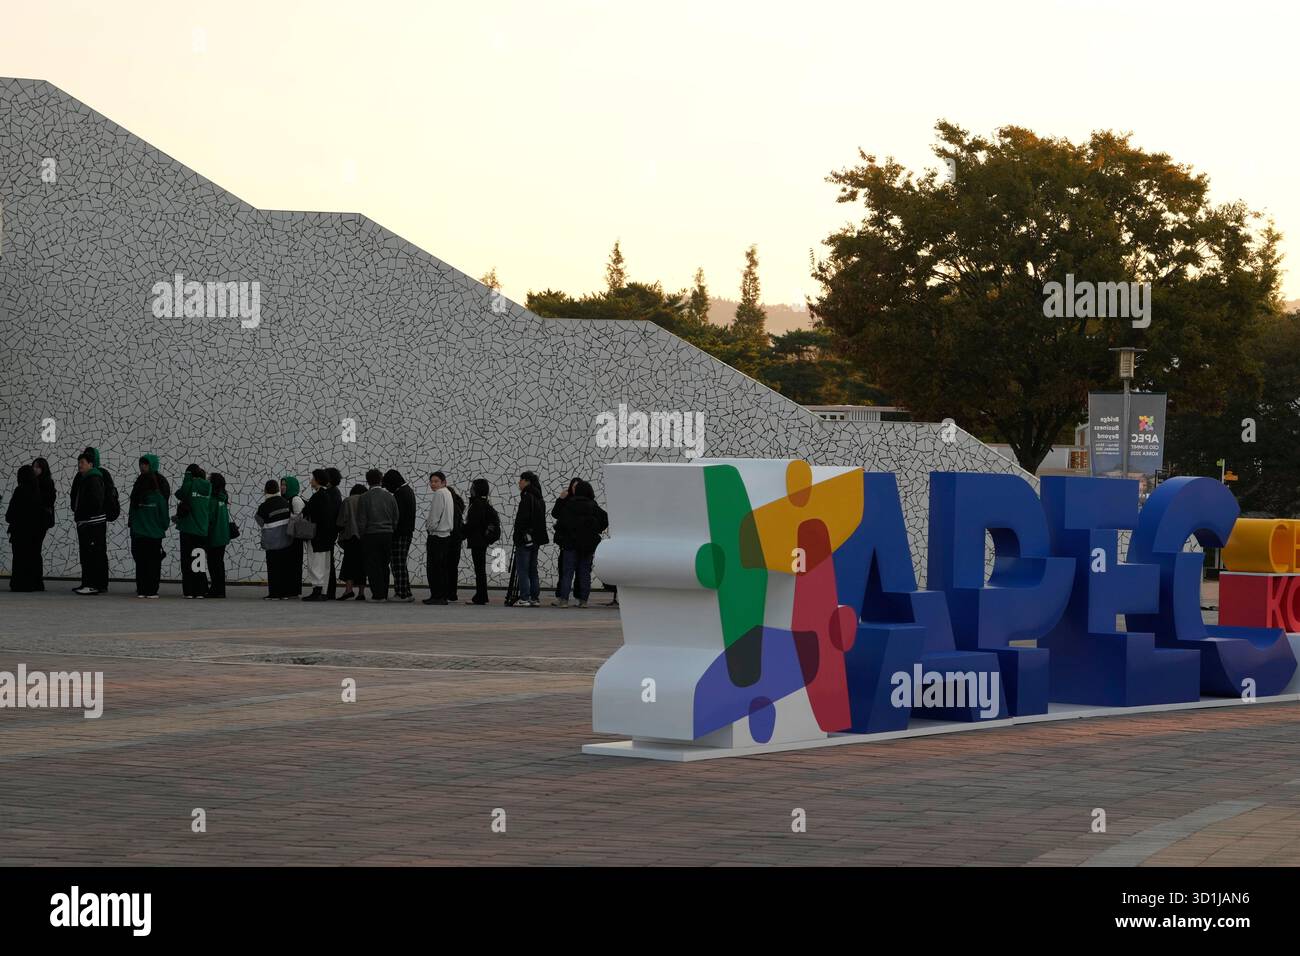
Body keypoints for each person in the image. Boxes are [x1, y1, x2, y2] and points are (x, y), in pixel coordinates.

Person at [551, 480, 609, 608]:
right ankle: (583, 601)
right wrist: (596, 529)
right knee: (584, 572)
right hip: (587, 545)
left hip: (570, 543)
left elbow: (561, 521)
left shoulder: (570, 504)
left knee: (567, 572)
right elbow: (605, 519)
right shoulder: (592, 505)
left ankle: (564, 600)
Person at [70, 447, 111, 594]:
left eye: (82, 462)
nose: (79, 465)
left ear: (91, 464)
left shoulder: (94, 478)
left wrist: (83, 513)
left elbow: (95, 502)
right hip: (87, 522)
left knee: (93, 553)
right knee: (88, 553)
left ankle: (93, 584)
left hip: (92, 523)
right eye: (79, 462)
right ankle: (88, 583)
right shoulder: (85, 477)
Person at [128, 456, 170, 598]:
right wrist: (162, 527)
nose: (142, 466)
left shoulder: (137, 497)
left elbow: (132, 513)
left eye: (145, 464)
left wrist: (133, 527)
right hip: (154, 534)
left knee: (141, 562)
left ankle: (142, 589)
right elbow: (164, 517)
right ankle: (151, 590)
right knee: (153, 563)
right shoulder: (159, 496)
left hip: (139, 533)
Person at [356, 469, 398, 602]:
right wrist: (391, 529)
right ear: (381, 480)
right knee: (384, 564)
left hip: (371, 534)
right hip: (387, 534)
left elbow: (361, 520)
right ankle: (384, 593)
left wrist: (361, 535)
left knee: (373, 565)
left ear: (368, 481)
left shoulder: (364, 497)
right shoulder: (390, 496)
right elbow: (396, 517)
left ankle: (378, 595)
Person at [175, 464, 213, 598]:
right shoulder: (208, 487)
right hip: (202, 529)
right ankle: (200, 590)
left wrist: (187, 478)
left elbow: (180, 494)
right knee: (199, 561)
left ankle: (189, 591)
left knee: (187, 560)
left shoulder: (190, 485)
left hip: (188, 528)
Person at [510, 471, 548, 607]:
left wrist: (518, 535)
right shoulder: (539, 498)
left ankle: (524, 597)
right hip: (536, 539)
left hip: (525, 539)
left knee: (523, 569)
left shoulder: (527, 497)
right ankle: (534, 598)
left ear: (527, 481)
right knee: (533, 569)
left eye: (521, 480)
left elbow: (522, 520)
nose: (519, 483)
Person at [7, 465, 47, 591]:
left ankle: (20, 584)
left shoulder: (20, 490)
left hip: (19, 531)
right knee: (34, 556)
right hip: (35, 532)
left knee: (20, 557)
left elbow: (10, 513)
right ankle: (35, 583)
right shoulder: (37, 491)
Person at [302, 469, 340, 602]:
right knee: (325, 565)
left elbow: (308, 512)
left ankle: (317, 590)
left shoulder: (319, 496)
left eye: (313, 479)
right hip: (326, 537)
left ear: (318, 480)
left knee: (315, 563)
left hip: (317, 537)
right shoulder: (328, 495)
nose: (311, 481)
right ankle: (323, 591)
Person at [463, 478, 500, 605]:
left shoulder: (477, 504)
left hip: (477, 541)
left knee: (479, 570)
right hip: (482, 540)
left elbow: (472, 524)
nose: (471, 489)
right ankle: (481, 595)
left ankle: (481, 596)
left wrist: (461, 531)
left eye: (472, 487)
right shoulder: (484, 503)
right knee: (480, 569)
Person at [383, 469, 417, 603]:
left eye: (388, 485)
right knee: (401, 563)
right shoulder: (408, 491)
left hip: (399, 534)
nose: (388, 489)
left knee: (397, 564)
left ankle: (401, 593)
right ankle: (406, 591)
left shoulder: (400, 494)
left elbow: (397, 516)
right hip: (406, 533)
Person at [256, 479, 294, 599]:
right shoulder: (285, 502)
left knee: (273, 568)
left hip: (271, 542)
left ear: (266, 490)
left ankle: (274, 593)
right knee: (284, 568)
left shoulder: (264, 506)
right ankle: (284, 593)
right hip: (286, 540)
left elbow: (259, 520)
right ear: (278, 489)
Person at [423, 471, 455, 605]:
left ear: (443, 482)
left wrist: (430, 527)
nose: (433, 484)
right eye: (431, 481)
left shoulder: (439, 494)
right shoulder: (448, 493)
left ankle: (436, 595)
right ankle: (442, 595)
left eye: (436, 481)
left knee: (434, 568)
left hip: (436, 535)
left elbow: (435, 515)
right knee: (442, 568)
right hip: (446, 535)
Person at [336, 482, 368, 601]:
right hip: (364, 537)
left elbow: (341, 521)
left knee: (349, 563)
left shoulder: (348, 501)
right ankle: (361, 592)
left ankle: (348, 590)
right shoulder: (366, 500)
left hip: (350, 536)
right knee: (362, 564)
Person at [551, 477, 581, 598]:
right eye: (573, 486)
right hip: (566, 541)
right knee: (563, 569)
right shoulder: (566, 499)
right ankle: (561, 595)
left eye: (577, 486)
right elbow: (555, 513)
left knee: (580, 571)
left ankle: (579, 595)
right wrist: (560, 499)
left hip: (580, 542)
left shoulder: (585, 501)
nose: (575, 489)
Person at [206, 473, 232, 598]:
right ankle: (220, 589)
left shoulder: (212, 500)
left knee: (213, 564)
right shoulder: (223, 498)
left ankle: (215, 590)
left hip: (214, 536)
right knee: (219, 564)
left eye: (209, 480)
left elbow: (209, 518)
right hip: (223, 535)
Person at [281, 476, 306, 598]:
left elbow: (299, 519)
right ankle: (287, 588)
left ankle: (293, 590)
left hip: (295, 537)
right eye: (281, 484)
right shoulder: (285, 499)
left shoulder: (296, 500)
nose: (282, 487)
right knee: (287, 563)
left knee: (294, 563)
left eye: (285, 485)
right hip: (288, 536)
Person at [325, 467, 344, 599]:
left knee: (327, 561)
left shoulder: (330, 493)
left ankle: (329, 590)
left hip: (328, 531)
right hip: (332, 531)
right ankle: (329, 590)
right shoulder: (335, 492)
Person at [32, 457, 57, 532]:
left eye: (37, 467)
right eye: (33, 466)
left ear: (43, 468)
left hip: (42, 519)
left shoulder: (48, 482)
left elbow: (50, 500)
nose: (34, 469)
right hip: (32, 518)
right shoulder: (31, 481)